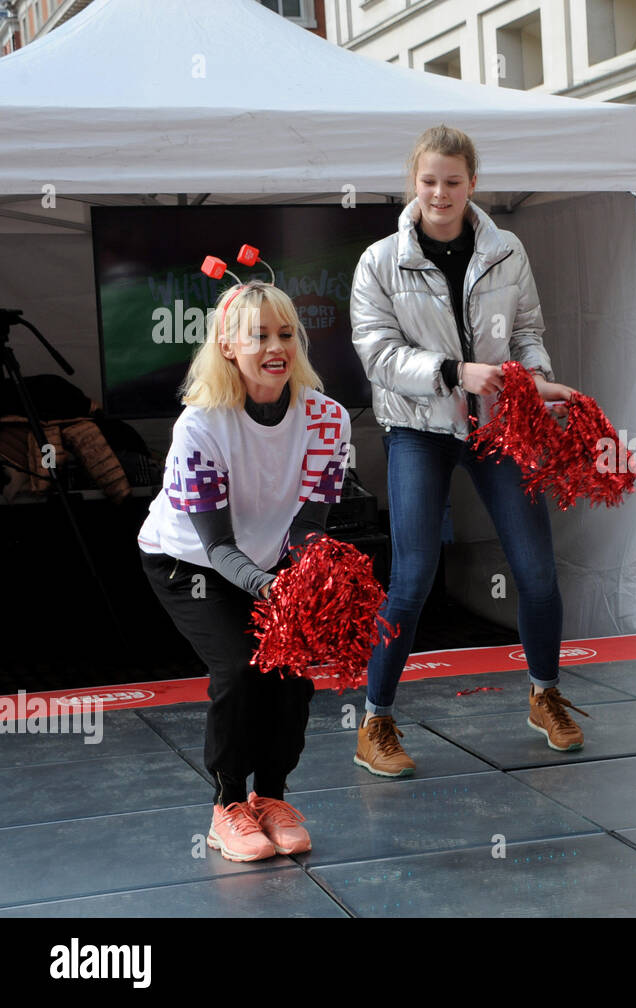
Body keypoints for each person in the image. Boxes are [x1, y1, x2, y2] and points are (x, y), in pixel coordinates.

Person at [350, 125, 587, 776]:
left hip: (497, 427)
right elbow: (377, 355)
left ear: (473, 184)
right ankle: (375, 721)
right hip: (418, 428)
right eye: (429, 181)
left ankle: (545, 696)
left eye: (453, 181)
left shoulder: (506, 250)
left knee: (537, 572)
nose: (440, 193)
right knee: (412, 577)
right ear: (413, 183)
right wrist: (457, 372)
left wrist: (536, 384)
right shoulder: (379, 261)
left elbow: (529, 332)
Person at [139, 279, 350, 861]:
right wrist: (270, 586)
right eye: (259, 335)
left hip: (266, 559)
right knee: (237, 667)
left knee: (290, 668)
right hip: (189, 561)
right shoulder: (200, 426)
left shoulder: (329, 419)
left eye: (286, 333)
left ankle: (272, 798)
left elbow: (309, 528)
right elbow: (217, 545)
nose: (276, 346)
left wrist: (316, 573)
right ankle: (227, 805)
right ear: (228, 347)